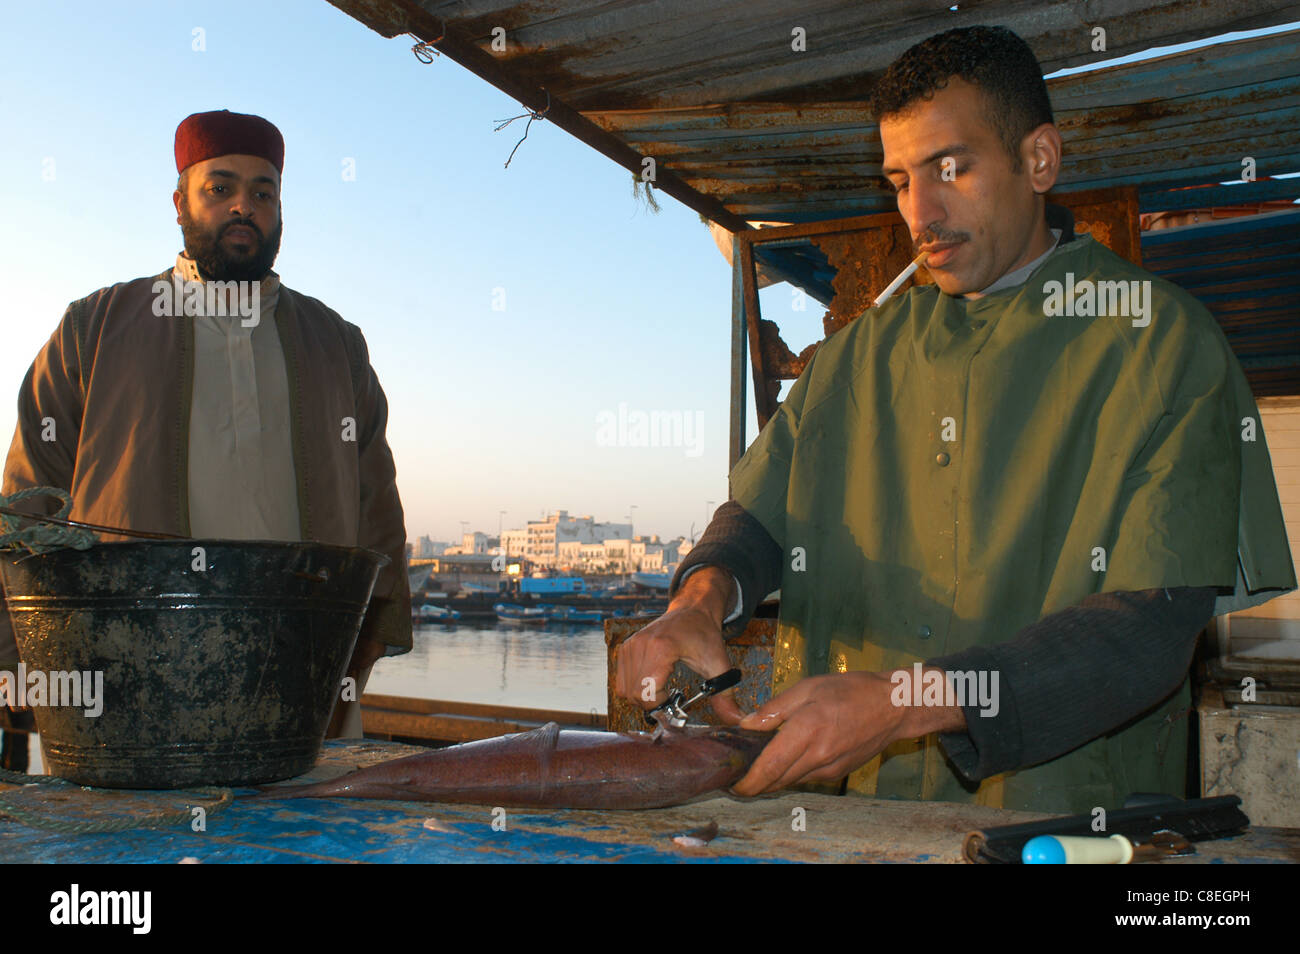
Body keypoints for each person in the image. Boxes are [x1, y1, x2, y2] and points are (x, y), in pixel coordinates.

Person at [616, 26, 1296, 813]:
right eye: (899, 178)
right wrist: (699, 602)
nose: (920, 210)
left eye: (952, 168)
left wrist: (907, 700)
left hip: (1070, 818)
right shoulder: (852, 359)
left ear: (1039, 159)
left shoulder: (1160, 341)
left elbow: (1148, 628)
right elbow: (761, 519)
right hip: (857, 814)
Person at [0, 110, 411, 739]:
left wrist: (361, 652)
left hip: (301, 680)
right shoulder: (96, 327)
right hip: (122, 684)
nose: (243, 206)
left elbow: (376, 504)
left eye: (262, 191)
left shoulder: (336, 343)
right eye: (219, 188)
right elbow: (27, 505)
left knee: (302, 839)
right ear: (180, 202)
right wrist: (16, 660)